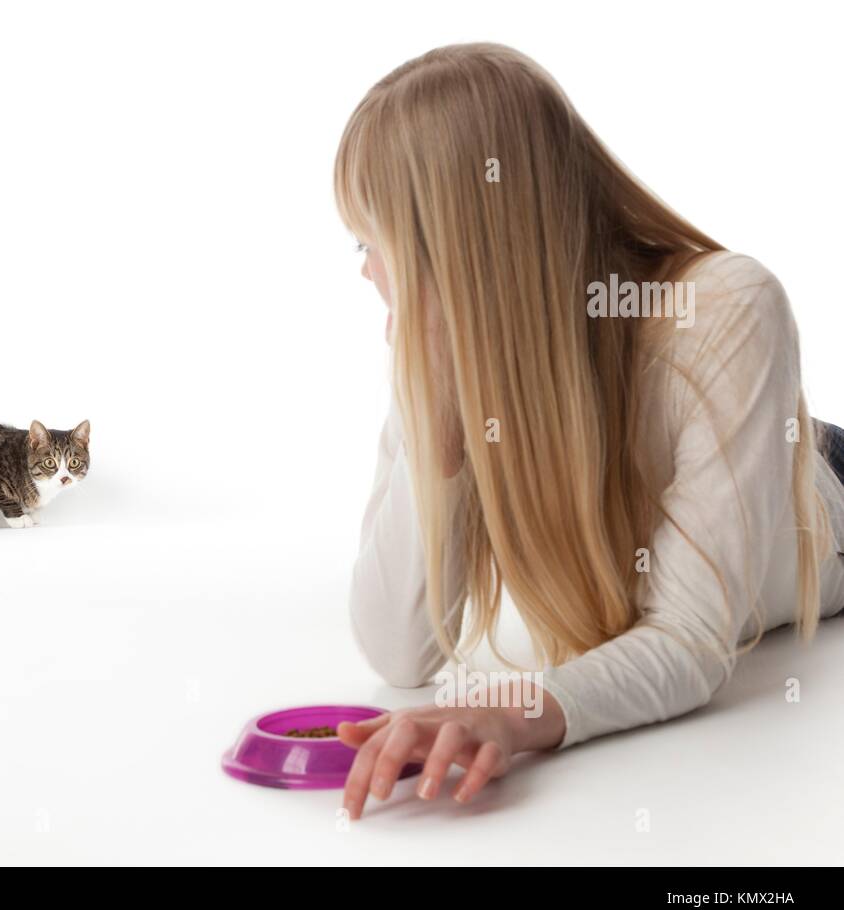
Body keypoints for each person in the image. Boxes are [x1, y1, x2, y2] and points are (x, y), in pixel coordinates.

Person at [332, 43, 844, 819]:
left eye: (373, 241)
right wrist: (437, 415)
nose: (366, 271)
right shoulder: (448, 356)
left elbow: (689, 638)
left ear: (455, 248)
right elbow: (399, 653)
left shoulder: (727, 311)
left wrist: (513, 712)